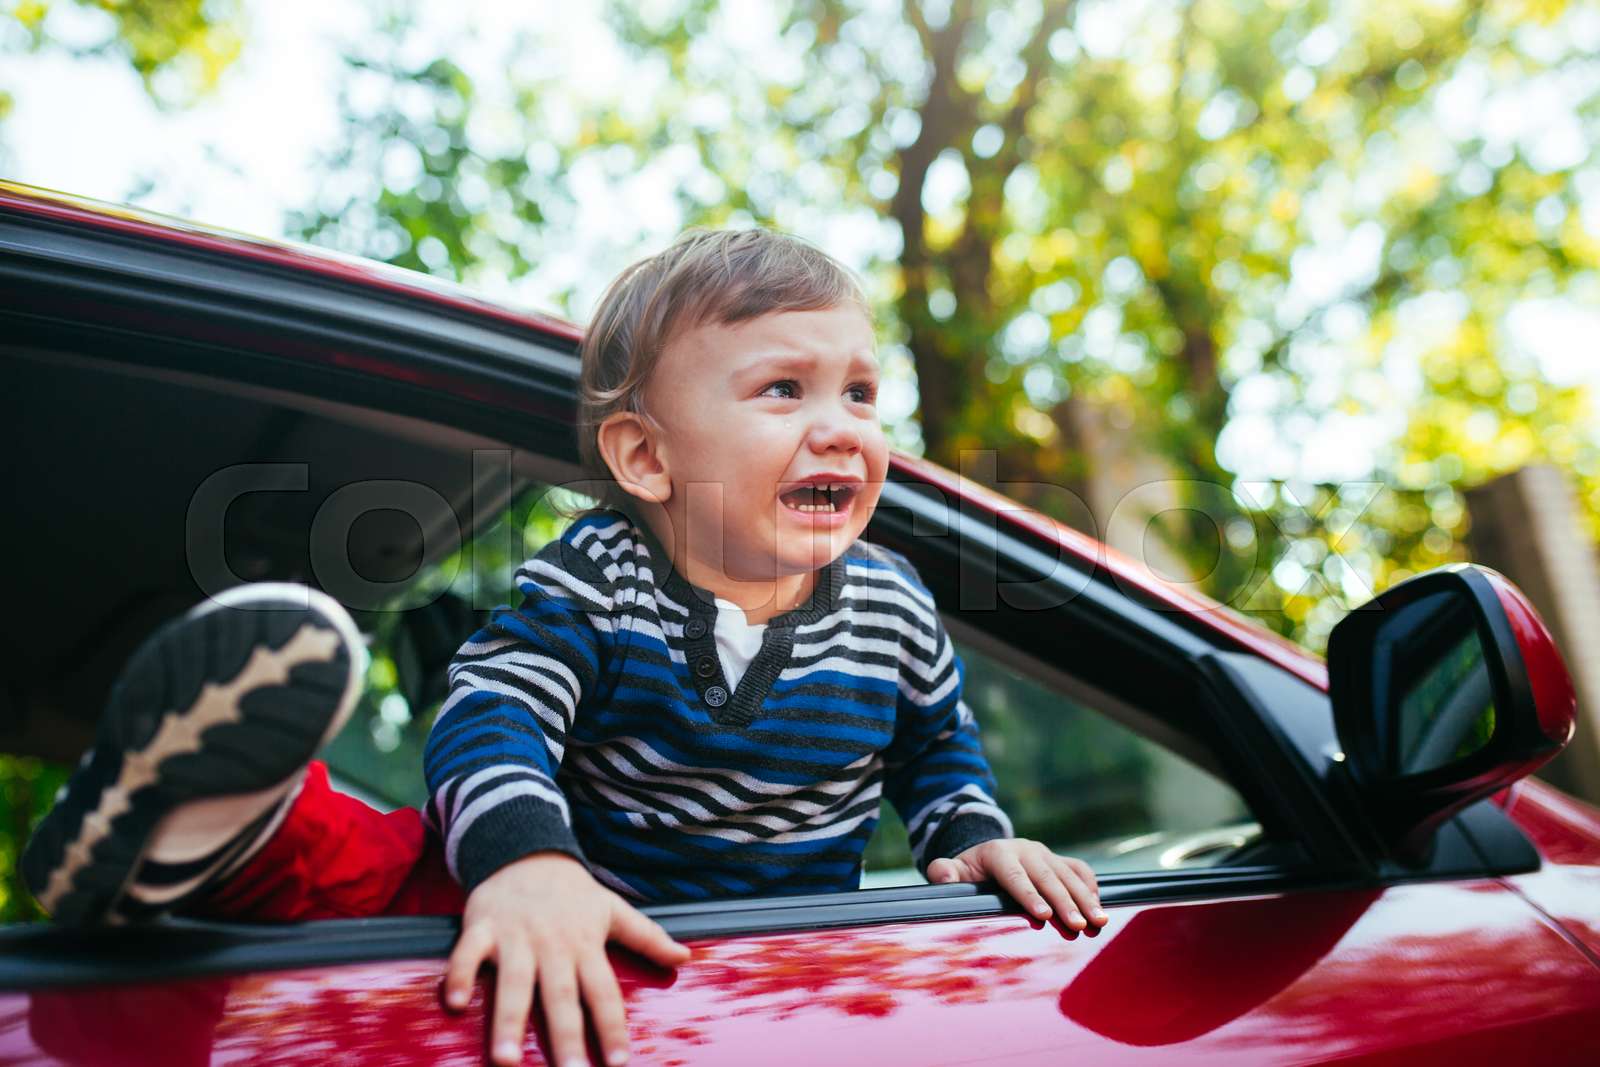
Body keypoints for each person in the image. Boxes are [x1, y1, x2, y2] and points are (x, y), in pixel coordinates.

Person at [23, 228, 1108, 1067]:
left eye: (861, 392)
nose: (843, 427)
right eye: (785, 388)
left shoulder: (894, 601)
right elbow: (493, 711)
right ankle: (214, 824)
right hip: (553, 899)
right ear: (644, 457)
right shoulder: (596, 577)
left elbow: (933, 750)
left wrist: (972, 840)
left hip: (755, 956)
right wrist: (531, 865)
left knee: (412, 865)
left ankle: (208, 831)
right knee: (387, 858)